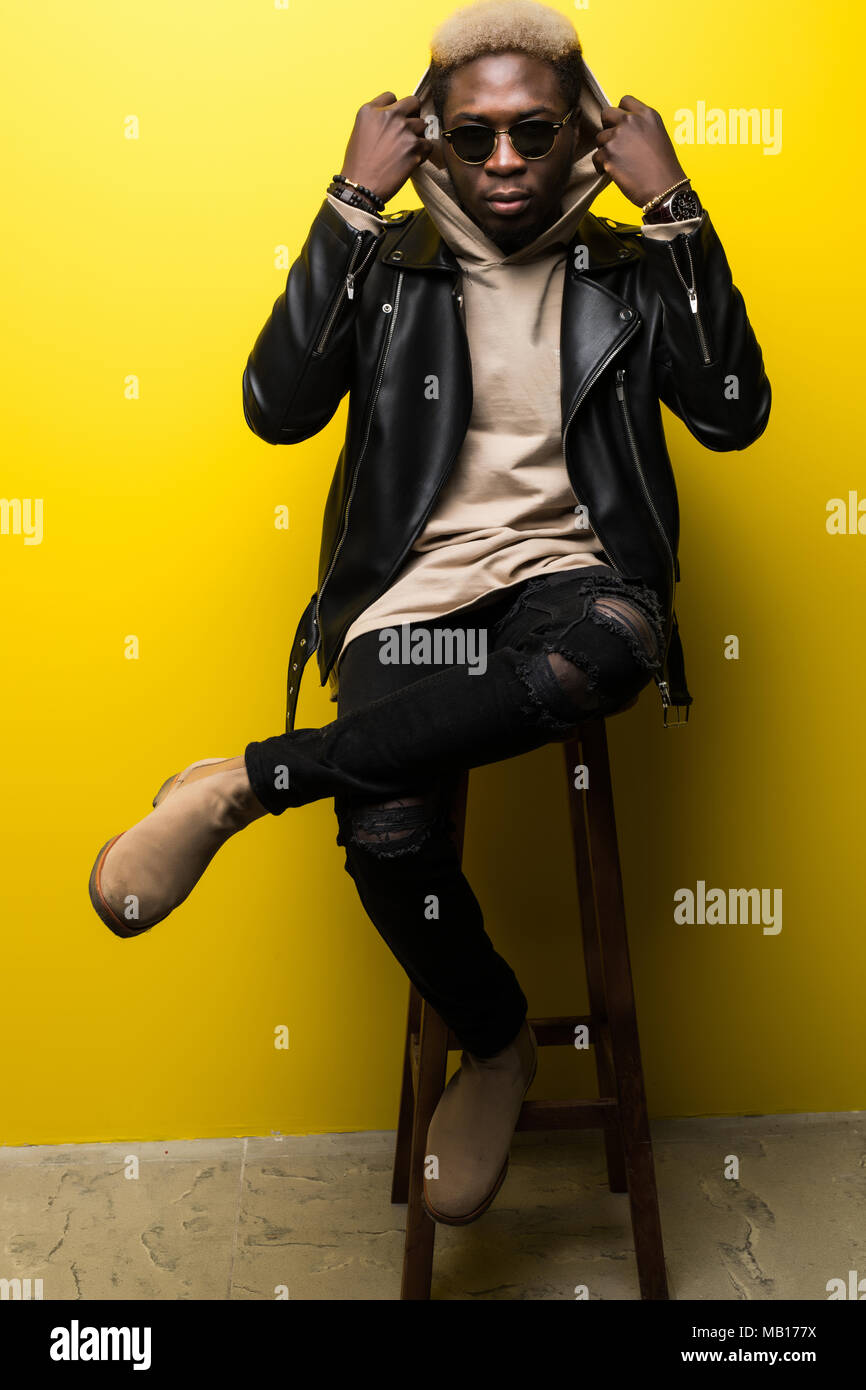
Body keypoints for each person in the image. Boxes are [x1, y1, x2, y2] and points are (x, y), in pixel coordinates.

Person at [88, 0, 771, 1228]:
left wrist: (675, 212)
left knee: (604, 654)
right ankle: (499, 1041)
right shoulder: (390, 262)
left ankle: (247, 781)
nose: (503, 163)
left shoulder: (623, 264)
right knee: (390, 823)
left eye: (532, 134)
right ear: (429, 141)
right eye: (473, 138)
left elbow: (729, 410)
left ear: (581, 136)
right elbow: (277, 406)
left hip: (575, 577)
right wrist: (347, 205)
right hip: (419, 593)